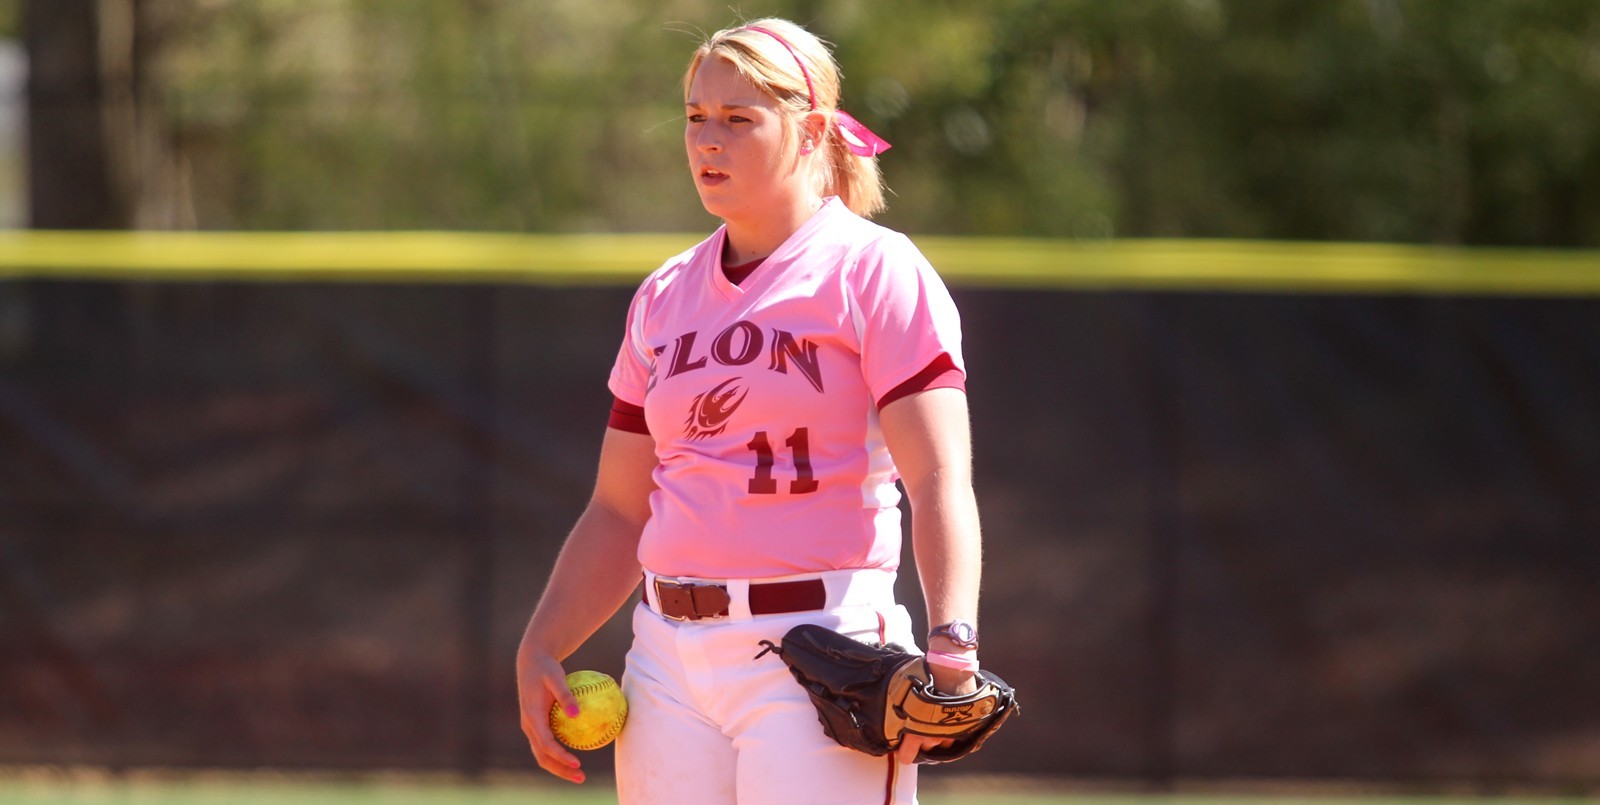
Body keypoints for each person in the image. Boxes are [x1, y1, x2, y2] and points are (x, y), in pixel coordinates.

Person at [516, 16, 984, 804]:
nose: (707, 140)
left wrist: (952, 640)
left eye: (739, 119)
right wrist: (542, 642)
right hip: (667, 656)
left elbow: (937, 474)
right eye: (697, 117)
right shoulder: (665, 295)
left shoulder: (872, 270)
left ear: (809, 133)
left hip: (824, 646)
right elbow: (619, 506)